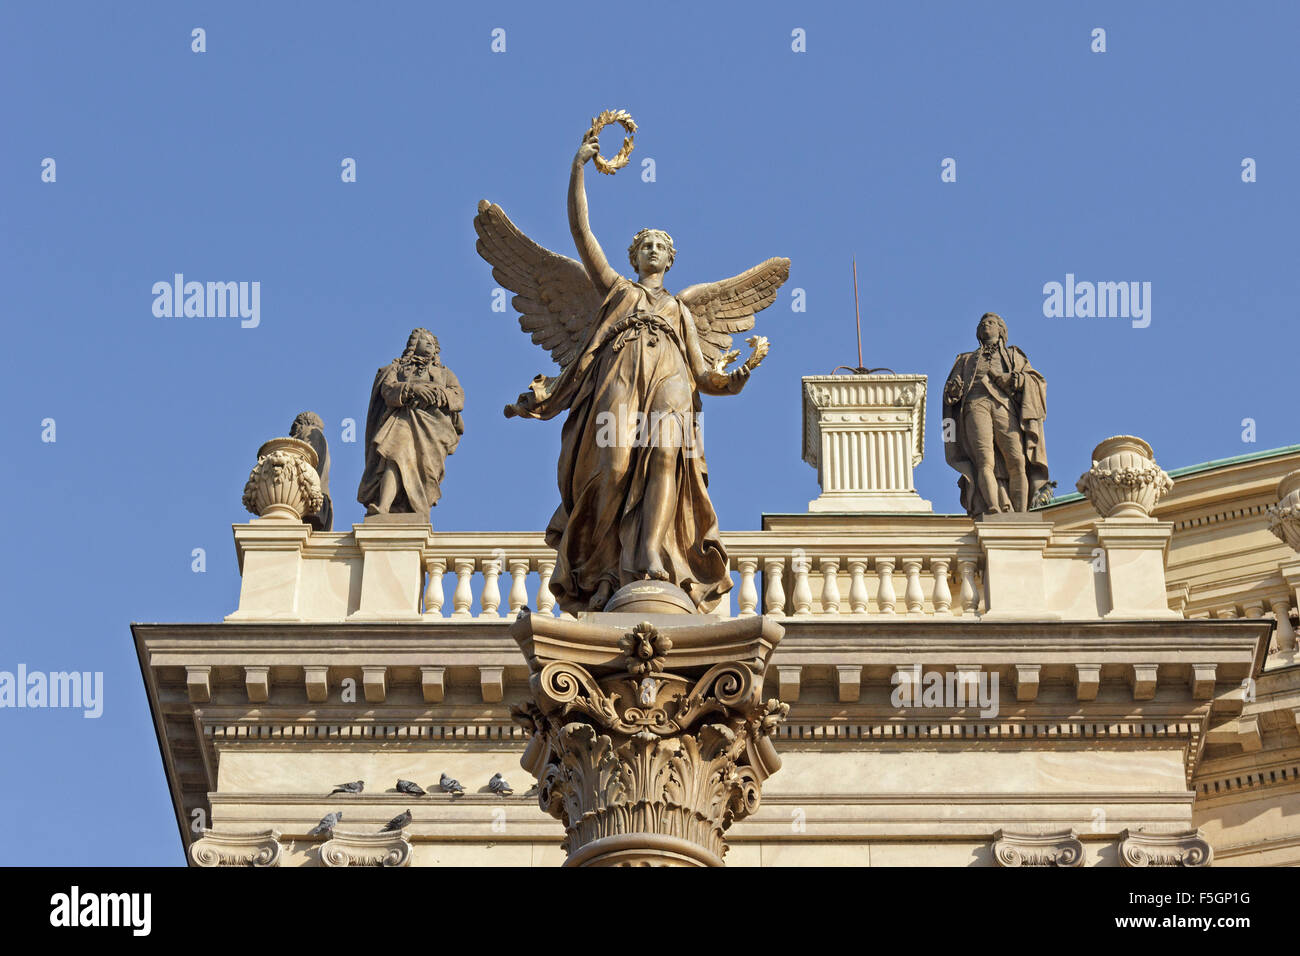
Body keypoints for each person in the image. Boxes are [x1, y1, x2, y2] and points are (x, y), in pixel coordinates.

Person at [942, 312, 1050, 515]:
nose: (986, 325)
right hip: (975, 405)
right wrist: (953, 391)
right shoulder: (964, 360)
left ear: (1001, 330)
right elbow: (950, 396)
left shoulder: (1014, 356)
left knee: (1017, 460)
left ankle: (1021, 514)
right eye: (982, 323)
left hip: (1004, 405)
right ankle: (992, 507)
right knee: (984, 460)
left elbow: (1036, 381)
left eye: (991, 323)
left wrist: (1015, 379)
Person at [357, 328, 464, 517]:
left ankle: (419, 508)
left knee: (425, 468)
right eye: (425, 340)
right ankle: (384, 507)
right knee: (394, 454)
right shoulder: (397, 369)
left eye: (433, 343)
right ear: (414, 344)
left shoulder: (445, 373)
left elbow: (458, 398)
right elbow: (387, 390)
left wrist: (437, 394)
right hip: (404, 418)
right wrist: (413, 389)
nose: (430, 344)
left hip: (434, 427)